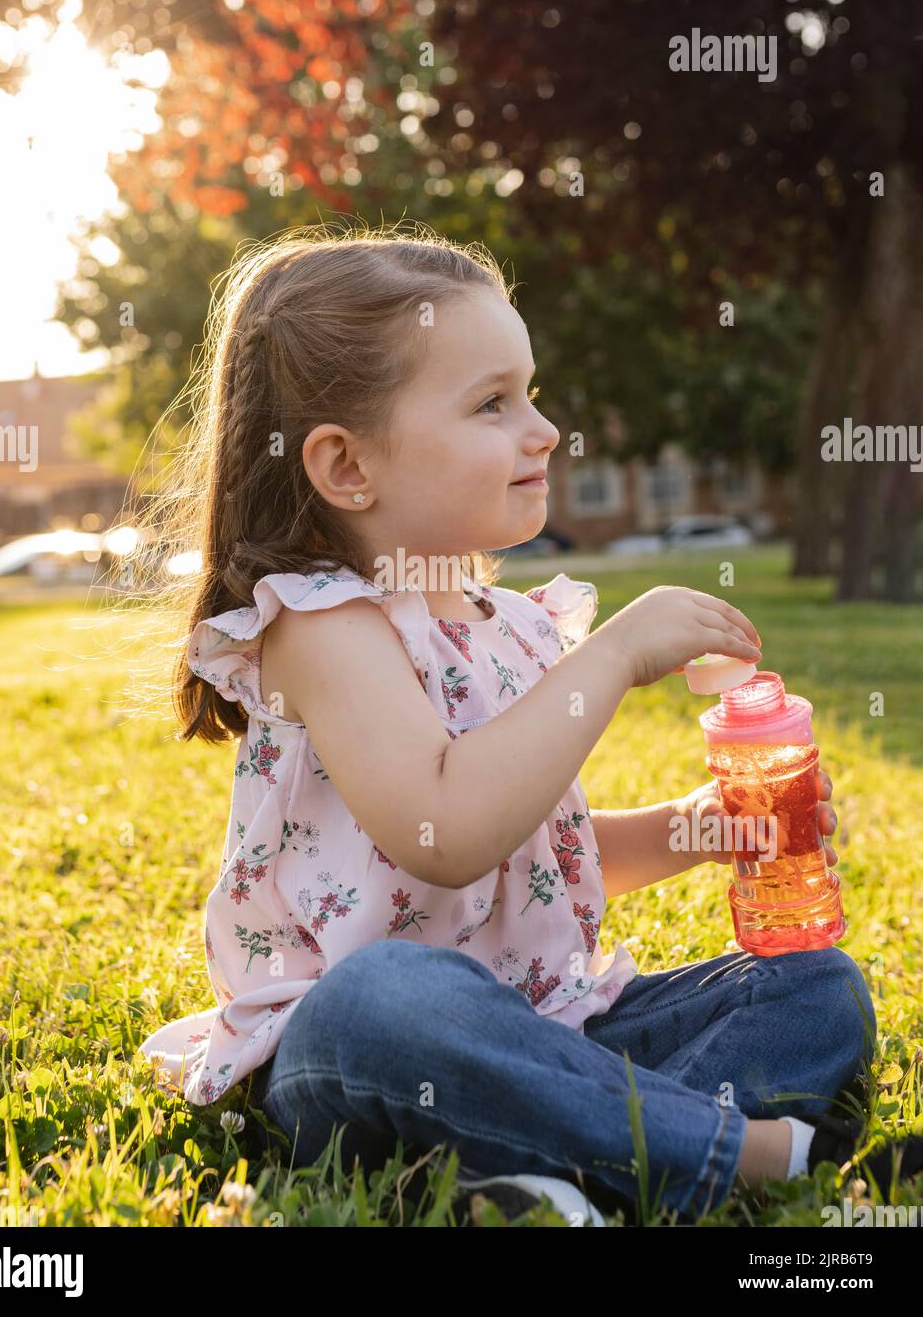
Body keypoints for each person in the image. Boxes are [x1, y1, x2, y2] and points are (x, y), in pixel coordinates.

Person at [136, 222, 921, 1223]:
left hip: (553, 1028)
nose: (544, 430)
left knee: (813, 988)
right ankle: (757, 1155)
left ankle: (545, 1173)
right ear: (346, 466)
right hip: (360, 1055)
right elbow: (449, 833)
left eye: (532, 393)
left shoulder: (509, 623)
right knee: (387, 997)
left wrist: (702, 827)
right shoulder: (322, 627)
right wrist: (614, 654)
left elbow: (537, 856)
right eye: (492, 403)